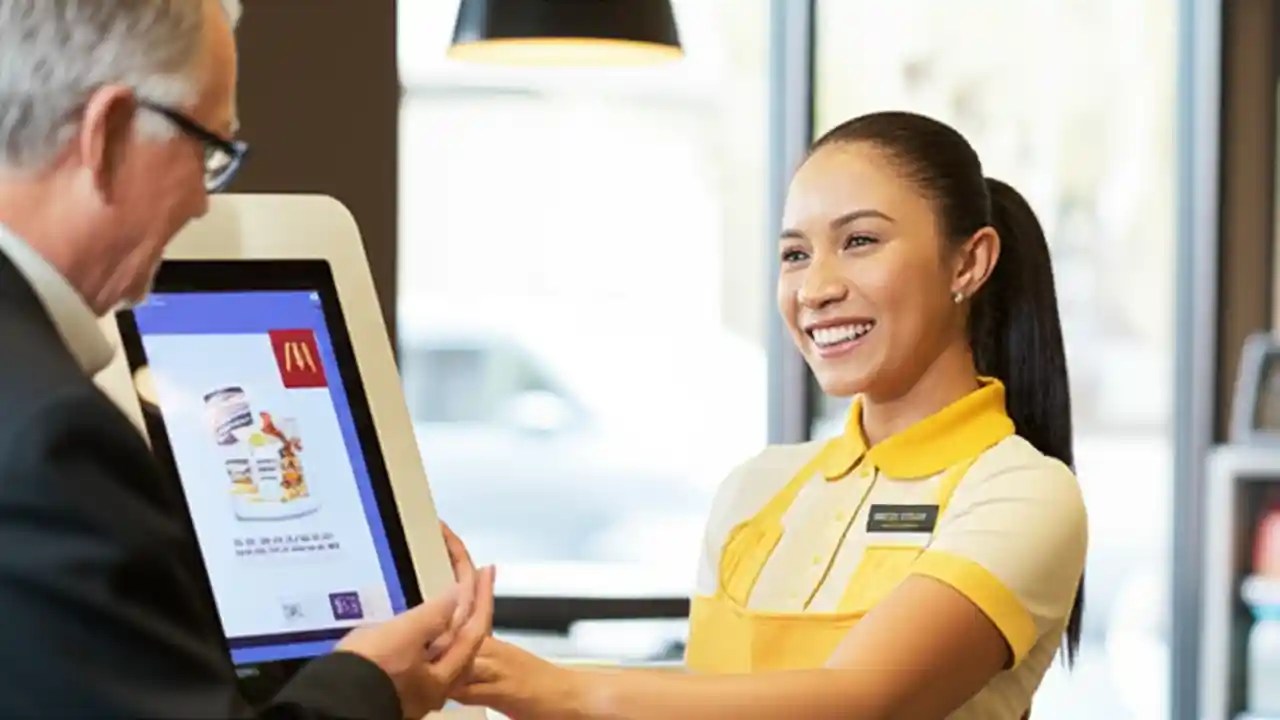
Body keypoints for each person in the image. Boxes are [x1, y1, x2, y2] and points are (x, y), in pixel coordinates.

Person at [447, 110, 1088, 720]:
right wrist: (470, 655)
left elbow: (859, 703)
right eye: (795, 255)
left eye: (860, 241)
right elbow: (707, 702)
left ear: (969, 261)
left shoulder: (1021, 493)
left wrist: (560, 690)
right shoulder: (757, 489)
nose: (815, 289)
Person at [0, 1, 494, 717]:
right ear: (105, 134)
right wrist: (370, 684)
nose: (203, 204)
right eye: (206, 150)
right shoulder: (52, 442)